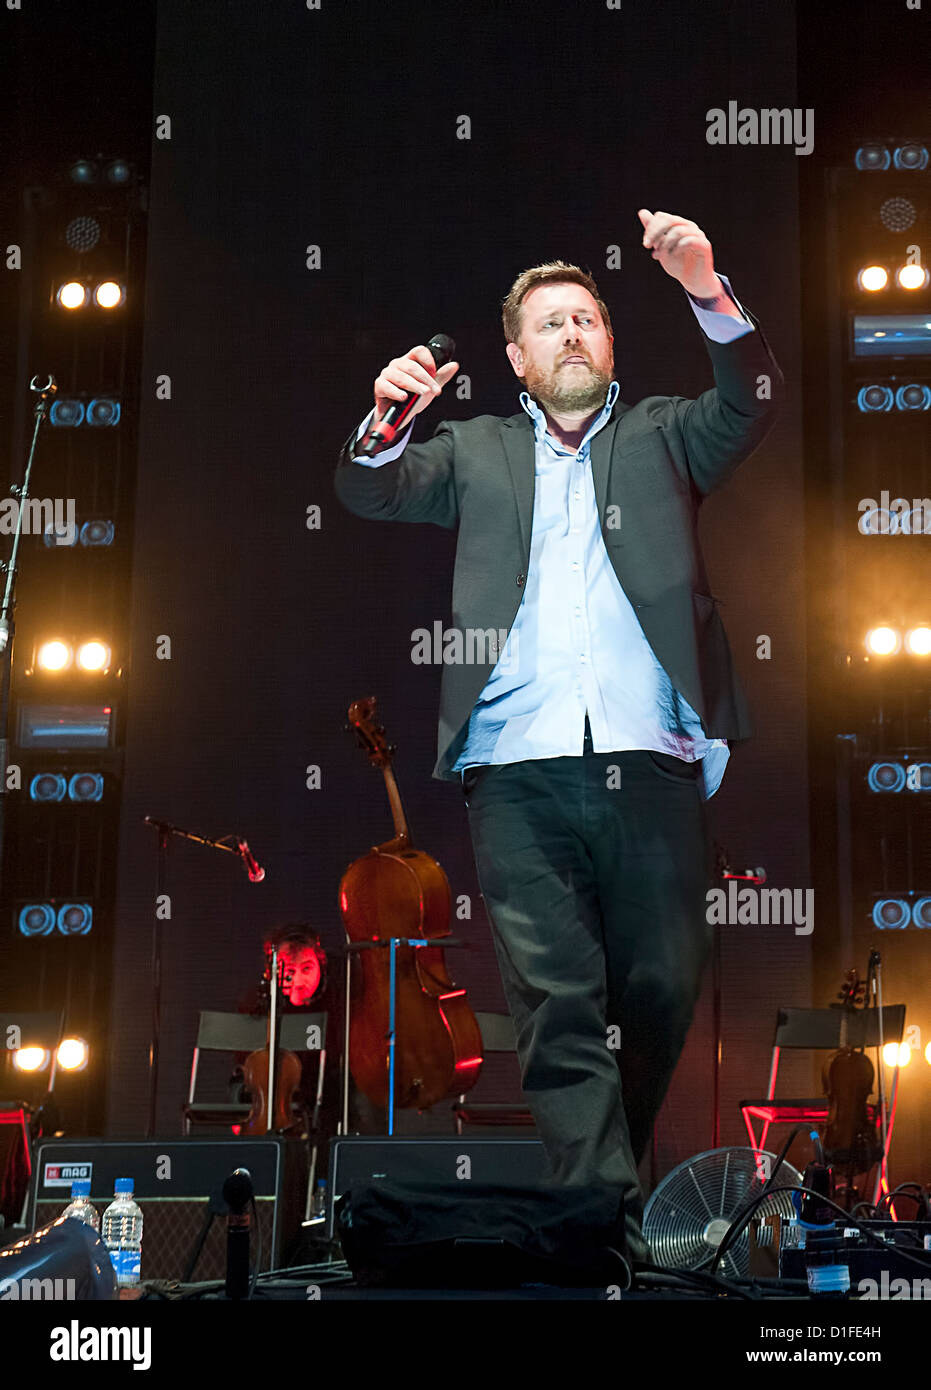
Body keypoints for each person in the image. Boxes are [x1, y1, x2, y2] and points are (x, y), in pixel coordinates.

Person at [333, 209, 784, 1264]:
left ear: (611, 344)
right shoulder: (475, 450)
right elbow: (368, 487)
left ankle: (596, 1199)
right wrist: (387, 417)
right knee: (556, 1004)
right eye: (550, 324)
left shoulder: (668, 433)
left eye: (588, 318)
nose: (572, 333)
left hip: (651, 756)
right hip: (518, 767)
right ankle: (606, 1229)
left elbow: (750, 402)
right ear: (517, 358)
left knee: (665, 980)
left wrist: (708, 287)